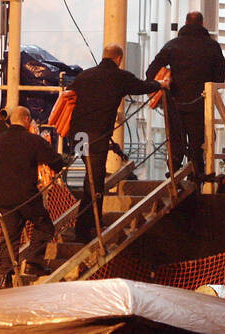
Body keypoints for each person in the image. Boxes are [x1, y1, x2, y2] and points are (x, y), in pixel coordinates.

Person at [66, 43, 167, 242]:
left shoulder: (84, 76)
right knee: (95, 181)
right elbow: (142, 86)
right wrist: (161, 84)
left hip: (77, 136)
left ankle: (89, 223)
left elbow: (70, 95)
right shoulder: (119, 77)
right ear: (119, 59)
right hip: (96, 137)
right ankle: (86, 227)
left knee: (89, 178)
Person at [145, 11, 225, 180]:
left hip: (174, 103)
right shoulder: (212, 46)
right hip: (200, 102)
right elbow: (221, 73)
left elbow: (151, 71)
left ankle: (174, 175)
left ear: (185, 23)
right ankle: (196, 175)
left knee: (175, 141)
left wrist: (163, 85)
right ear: (202, 24)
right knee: (197, 142)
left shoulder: (172, 45)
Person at [0, 105, 65, 283]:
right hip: (26, 196)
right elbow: (55, 161)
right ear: (26, 120)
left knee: (9, 237)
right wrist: (63, 163)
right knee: (45, 226)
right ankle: (33, 262)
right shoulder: (33, 140)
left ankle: (5, 275)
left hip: (3, 196)